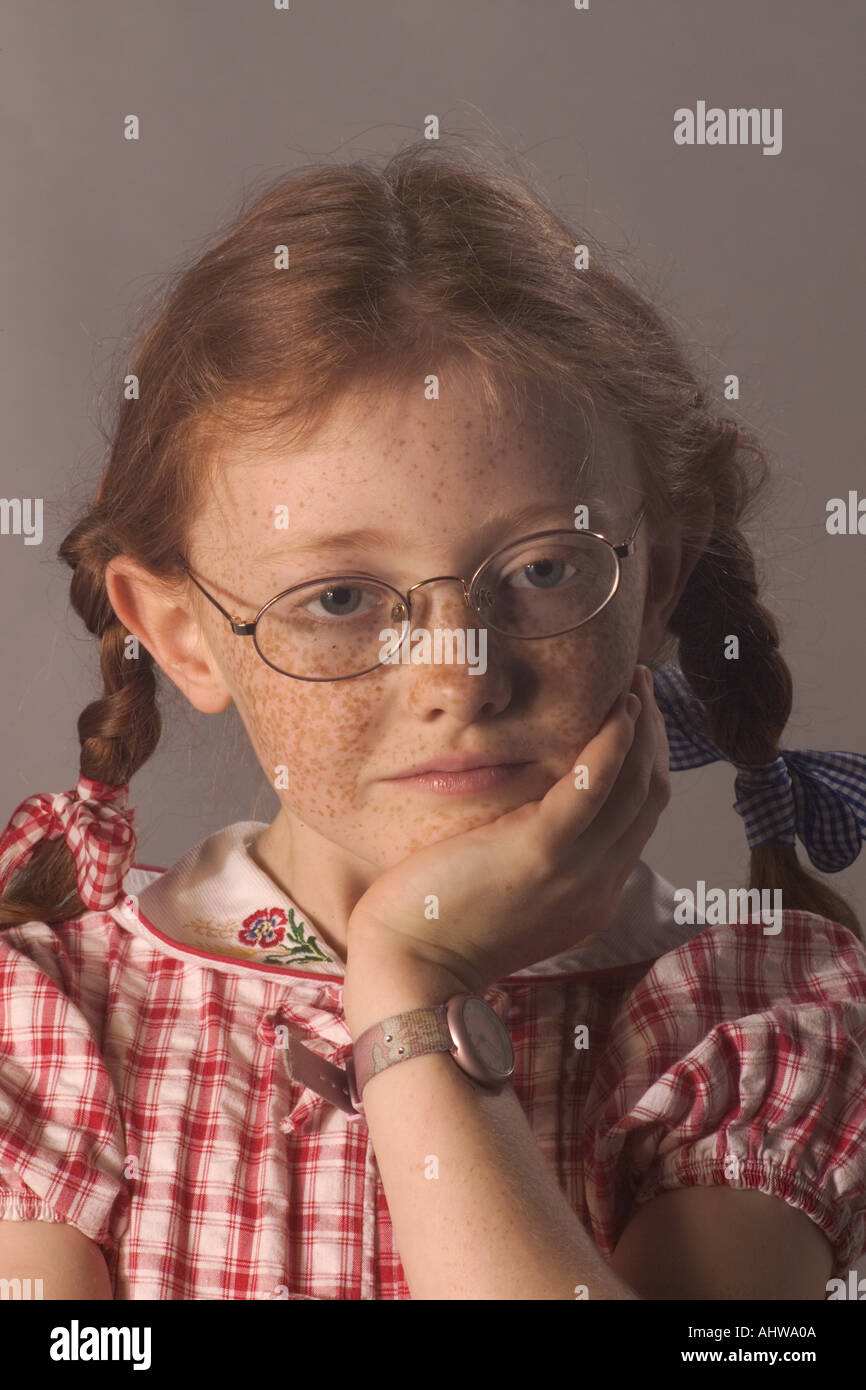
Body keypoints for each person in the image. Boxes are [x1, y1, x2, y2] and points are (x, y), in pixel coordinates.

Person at [1, 138, 865, 1301]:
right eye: (340, 599)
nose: (458, 675)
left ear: (659, 575)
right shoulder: (50, 1035)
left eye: (543, 571)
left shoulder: (752, 1021)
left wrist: (414, 986)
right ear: (182, 632)